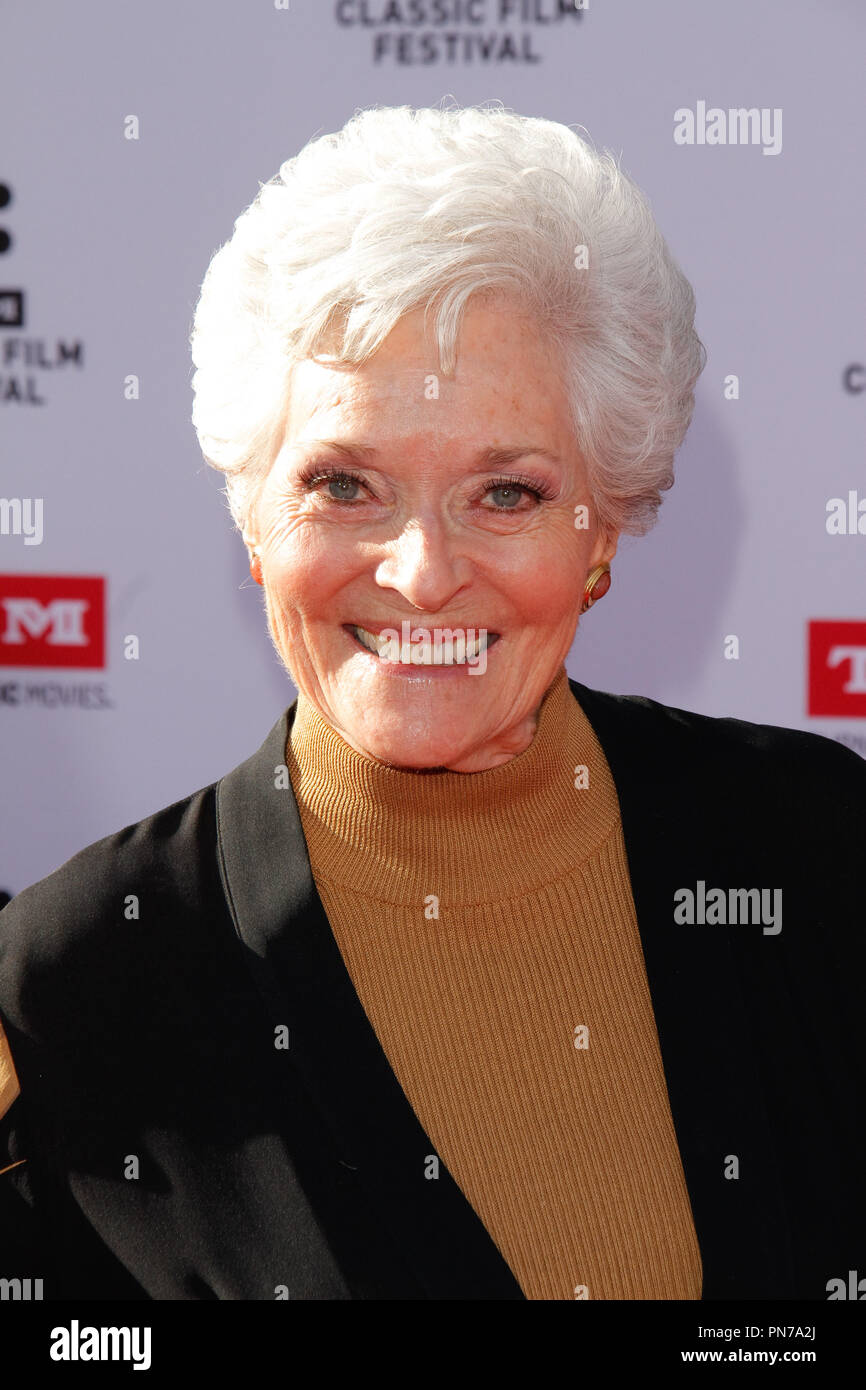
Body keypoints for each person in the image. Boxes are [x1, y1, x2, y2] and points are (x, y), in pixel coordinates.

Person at [1, 103, 862, 1302]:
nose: (418, 571)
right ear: (253, 520)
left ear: (601, 525)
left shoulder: (816, 851)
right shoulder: (81, 973)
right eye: (343, 483)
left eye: (504, 493)